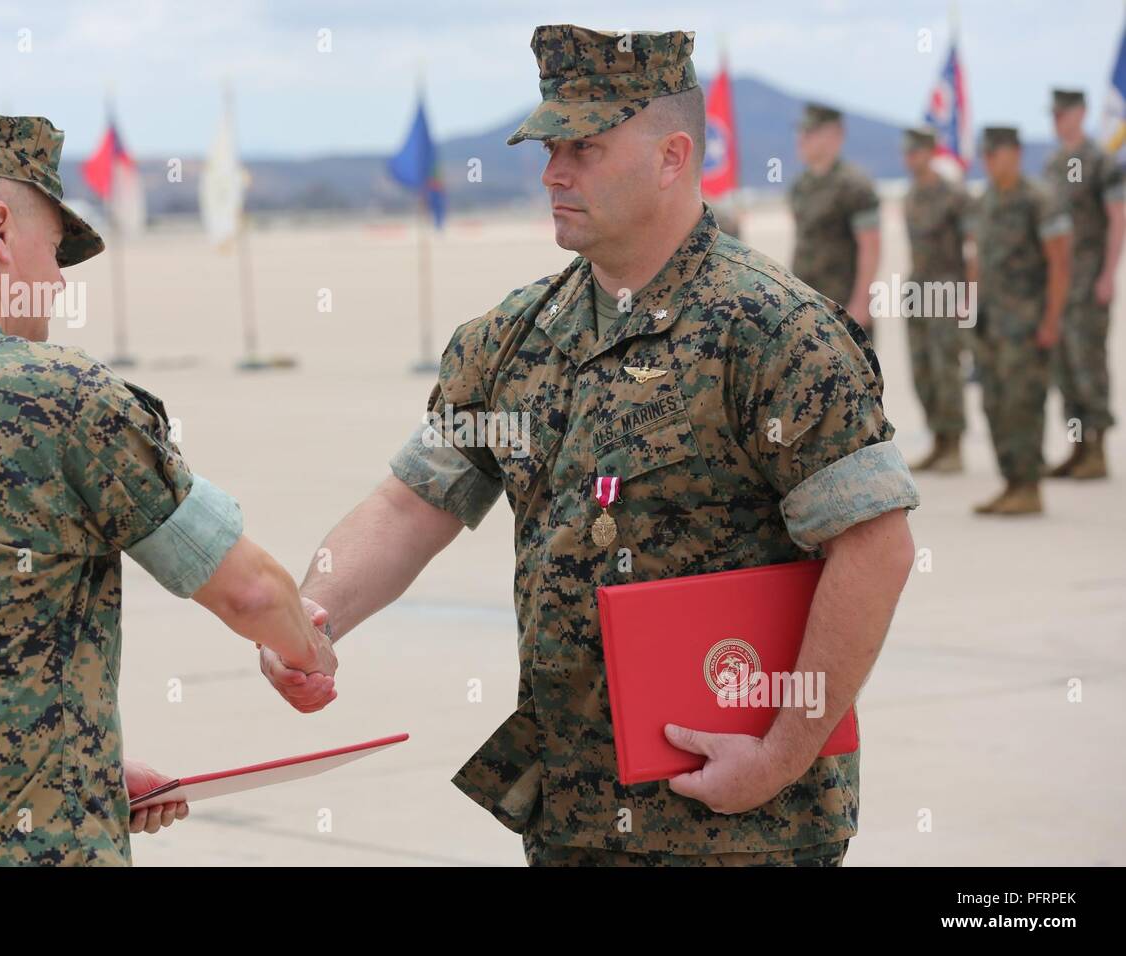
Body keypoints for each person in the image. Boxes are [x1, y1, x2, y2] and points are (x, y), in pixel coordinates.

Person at [262, 26, 920, 866]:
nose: (552, 173)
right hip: (574, 815)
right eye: (548, 146)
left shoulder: (776, 334)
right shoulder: (510, 336)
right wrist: (307, 621)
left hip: (741, 827)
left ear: (673, 157)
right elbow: (409, 503)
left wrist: (780, 753)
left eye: (585, 146)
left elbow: (875, 548)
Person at [0, 112, 335, 865]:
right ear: (0, 231)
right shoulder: (60, 398)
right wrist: (306, 652)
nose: (60, 283)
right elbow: (253, 593)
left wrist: (75, 770)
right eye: (56, 251)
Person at [970, 126, 1072, 516]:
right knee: (994, 402)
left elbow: (1060, 264)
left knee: (1023, 403)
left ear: (1015, 152)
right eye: (986, 153)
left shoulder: (1038, 200)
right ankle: (1010, 481)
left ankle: (1029, 486)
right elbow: (978, 258)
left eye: (996, 153)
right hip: (991, 323)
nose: (990, 160)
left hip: (1026, 324)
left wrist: (1051, 320)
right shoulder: (988, 199)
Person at [1043, 89, 1125, 479]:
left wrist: (1109, 274)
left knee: (1089, 361)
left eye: (1064, 113)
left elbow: (1117, 219)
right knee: (1065, 366)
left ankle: (1097, 449)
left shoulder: (1101, 162)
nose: (1058, 120)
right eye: (1054, 114)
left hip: (1089, 281)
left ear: (1082, 113)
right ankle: (1077, 445)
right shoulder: (1053, 163)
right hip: (1060, 285)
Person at [901, 126, 970, 472]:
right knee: (921, 369)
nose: (910, 158)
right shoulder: (911, 195)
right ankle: (937, 440)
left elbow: (972, 247)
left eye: (916, 152)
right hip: (918, 290)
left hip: (947, 290)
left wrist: (970, 294)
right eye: (907, 152)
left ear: (931, 153)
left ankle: (954, 444)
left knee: (947, 368)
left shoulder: (954, 195)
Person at [790, 102, 882, 344]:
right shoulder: (800, 187)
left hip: (842, 306)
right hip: (807, 304)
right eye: (801, 131)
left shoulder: (854, 186)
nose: (801, 138)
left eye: (809, 132)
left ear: (833, 135)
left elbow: (870, 247)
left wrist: (861, 303)